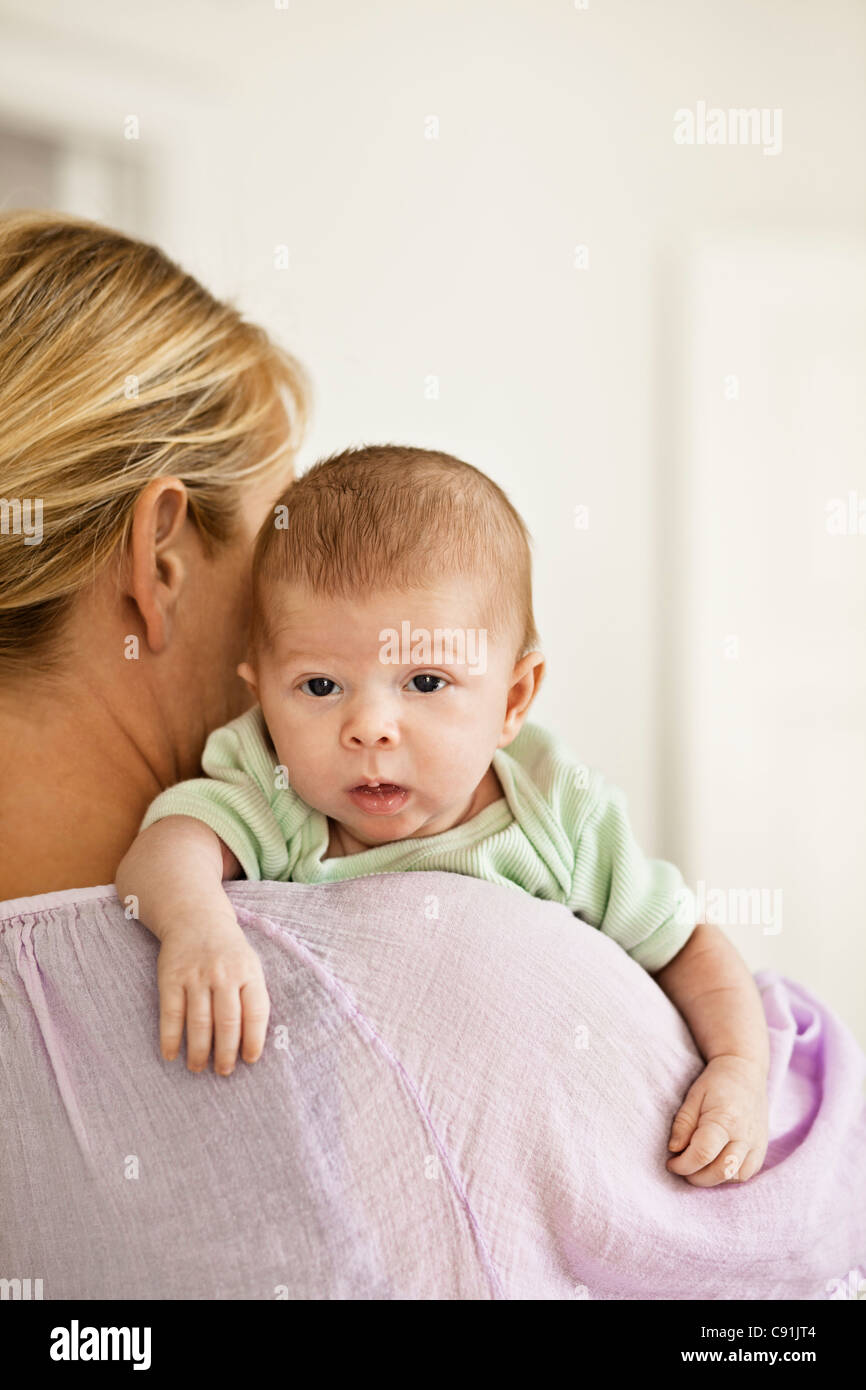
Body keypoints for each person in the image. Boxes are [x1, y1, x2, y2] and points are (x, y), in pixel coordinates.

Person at [1, 211, 863, 1301]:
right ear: (159, 558)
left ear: (514, 696)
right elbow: (805, 1240)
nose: (369, 714)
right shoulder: (426, 971)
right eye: (277, 533)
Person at [118, 444, 769, 1189]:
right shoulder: (278, 792)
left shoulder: (559, 813)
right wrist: (200, 929)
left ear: (514, 700)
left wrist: (740, 1071)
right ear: (261, 693)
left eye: (425, 680)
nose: (369, 726)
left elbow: (685, 947)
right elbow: (164, 848)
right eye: (320, 685)